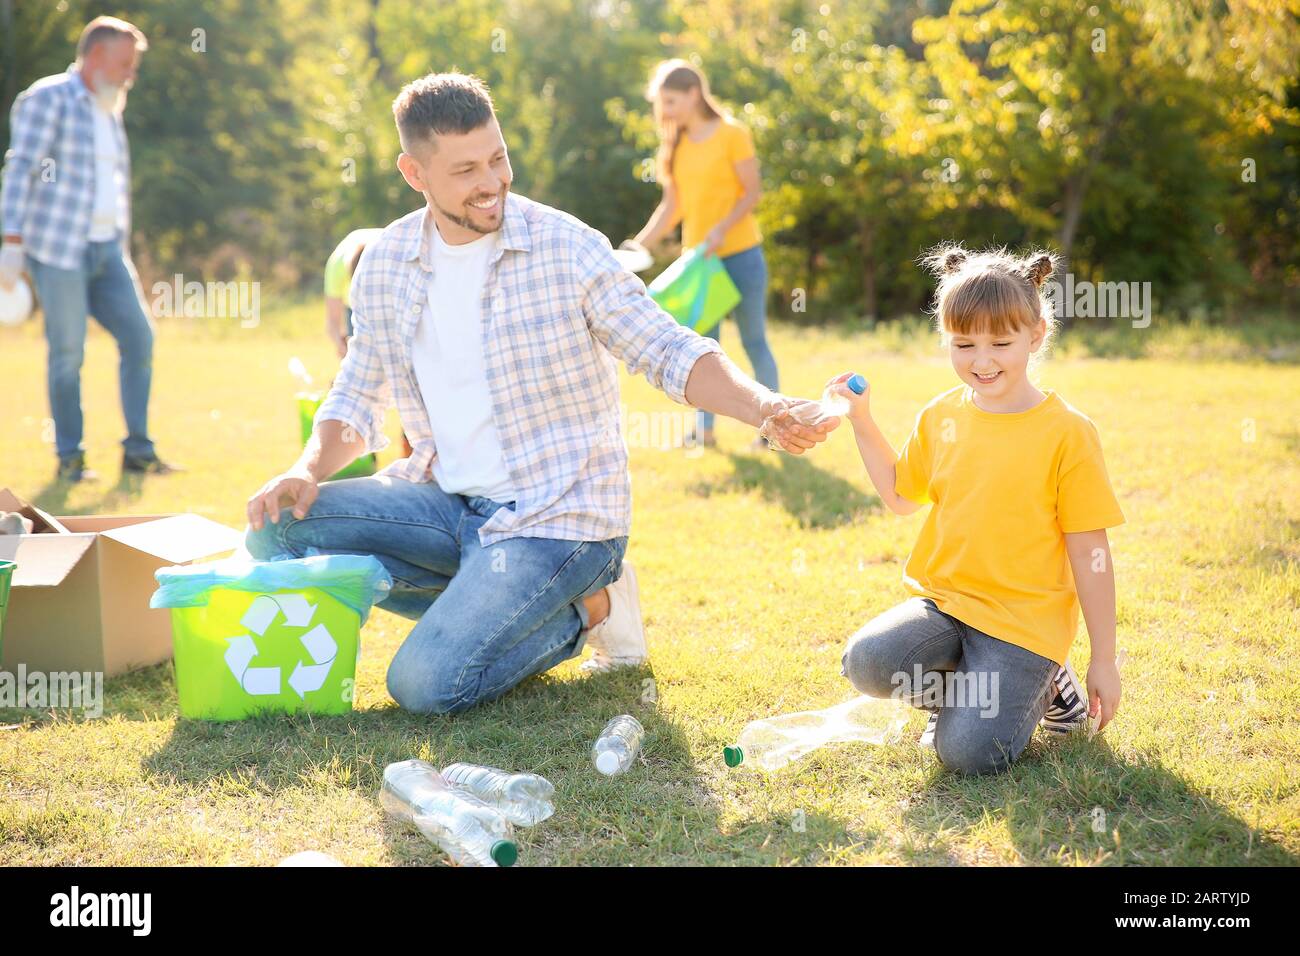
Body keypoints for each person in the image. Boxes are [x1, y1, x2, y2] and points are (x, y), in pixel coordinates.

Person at [243, 72, 836, 715]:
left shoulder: (569, 247)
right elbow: (358, 391)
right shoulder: (386, 261)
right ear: (414, 174)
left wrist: (765, 407)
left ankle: (587, 609)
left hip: (558, 517)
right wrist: (304, 469)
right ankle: (504, 602)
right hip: (447, 500)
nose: (492, 182)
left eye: (498, 158)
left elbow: (667, 349)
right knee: (276, 531)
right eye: (466, 169)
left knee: (424, 685)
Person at [835, 244, 1125, 775]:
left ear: (1036, 335)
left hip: (1023, 628)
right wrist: (861, 420)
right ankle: (961, 694)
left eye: (1001, 342)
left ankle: (1051, 682)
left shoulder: (1068, 433)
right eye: (964, 343)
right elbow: (901, 496)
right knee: (867, 662)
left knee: (966, 755)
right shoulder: (942, 414)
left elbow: (1091, 552)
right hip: (948, 606)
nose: (982, 360)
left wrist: (1102, 657)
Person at [0, 16, 180, 482]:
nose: (130, 75)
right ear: (96, 56)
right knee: (67, 353)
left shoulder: (108, 105)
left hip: (107, 250)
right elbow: (21, 169)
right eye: (125, 63)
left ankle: (138, 450)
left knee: (139, 338)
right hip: (59, 249)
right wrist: (11, 241)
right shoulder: (47, 98)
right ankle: (70, 458)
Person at [629, 59, 779, 450]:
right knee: (701, 351)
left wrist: (720, 232)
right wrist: (638, 245)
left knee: (754, 341)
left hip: (740, 254)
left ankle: (774, 430)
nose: (666, 111)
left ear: (694, 94)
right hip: (699, 264)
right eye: (662, 103)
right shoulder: (675, 145)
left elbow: (752, 193)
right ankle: (705, 433)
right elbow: (671, 207)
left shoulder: (733, 134)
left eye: (672, 101)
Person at [324, 227, 412, 459]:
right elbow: (333, 321)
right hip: (354, 312)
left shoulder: (397, 256)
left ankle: (413, 447)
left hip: (402, 303)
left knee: (412, 378)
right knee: (361, 380)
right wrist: (343, 346)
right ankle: (358, 451)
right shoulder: (336, 268)